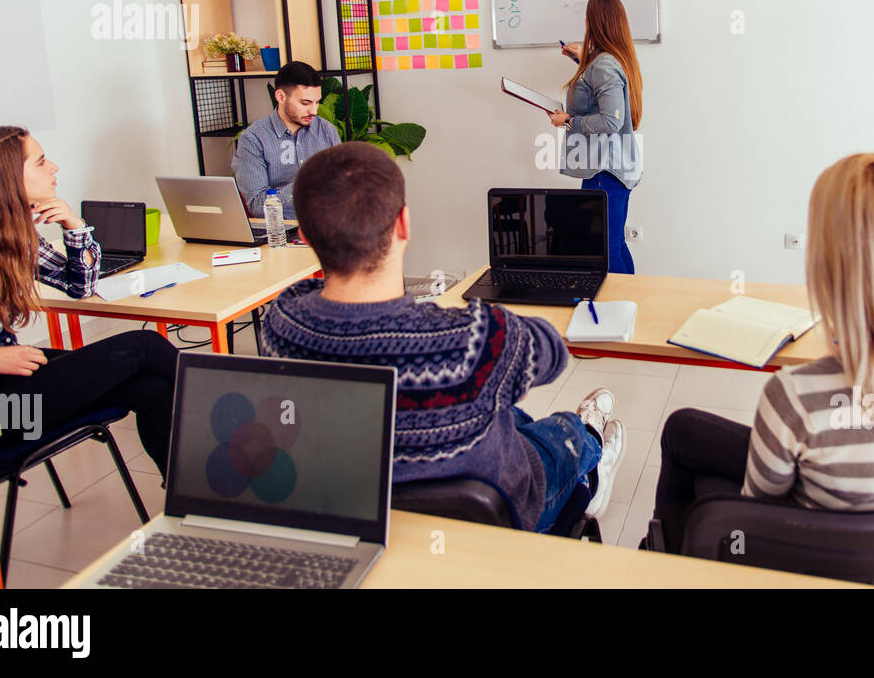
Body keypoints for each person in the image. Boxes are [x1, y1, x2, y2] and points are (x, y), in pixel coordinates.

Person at [260, 142, 627, 532]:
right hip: (503, 509)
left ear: (305, 236)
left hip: (359, 508)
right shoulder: (474, 340)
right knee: (564, 429)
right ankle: (593, 460)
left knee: (506, 413)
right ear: (403, 224)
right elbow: (553, 354)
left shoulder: (281, 324)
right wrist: (494, 320)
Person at [650, 153, 874, 551]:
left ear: (832, 265)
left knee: (705, 490)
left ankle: (665, 559)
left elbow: (755, 511)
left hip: (798, 561)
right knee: (685, 428)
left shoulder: (796, 397)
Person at [0, 126, 178, 479]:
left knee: (153, 389)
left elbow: (79, 286)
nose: (54, 167)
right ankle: (230, 431)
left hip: (5, 387)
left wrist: (75, 226)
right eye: (40, 162)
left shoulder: (3, 231)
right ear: (3, 177)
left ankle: (190, 497)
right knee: (145, 346)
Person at [552, 0, 643, 274]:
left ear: (595, 22)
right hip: (609, 170)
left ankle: (617, 308)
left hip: (605, 172)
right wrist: (583, 58)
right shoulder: (609, 60)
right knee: (613, 243)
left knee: (603, 248)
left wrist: (570, 121)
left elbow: (611, 121)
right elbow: (600, 93)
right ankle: (630, 305)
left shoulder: (604, 65)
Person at [231, 60, 340, 218]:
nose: (314, 111)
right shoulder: (253, 139)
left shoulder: (326, 130)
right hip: (283, 231)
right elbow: (257, 206)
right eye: (305, 103)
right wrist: (304, 182)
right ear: (280, 96)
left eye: (317, 102)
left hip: (328, 224)